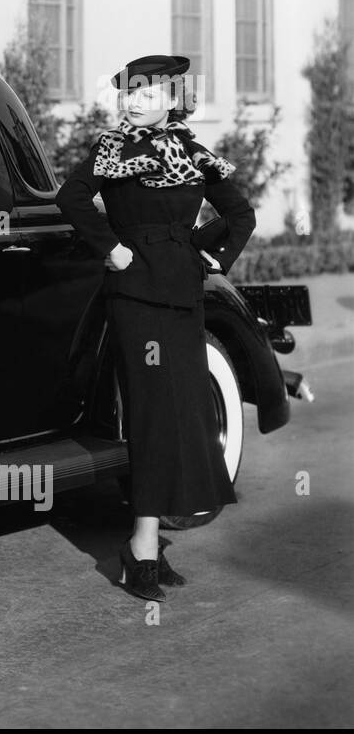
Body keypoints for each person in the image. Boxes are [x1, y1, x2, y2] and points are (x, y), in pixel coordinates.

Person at [55, 55, 256, 602]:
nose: (136, 99)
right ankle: (141, 546)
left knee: (183, 415)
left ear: (171, 98)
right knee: (147, 415)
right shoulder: (110, 148)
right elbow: (70, 197)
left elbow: (240, 215)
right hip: (133, 297)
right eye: (129, 91)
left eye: (148, 92)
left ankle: (147, 544)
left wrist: (210, 256)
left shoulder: (192, 151)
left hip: (183, 296)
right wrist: (111, 248)